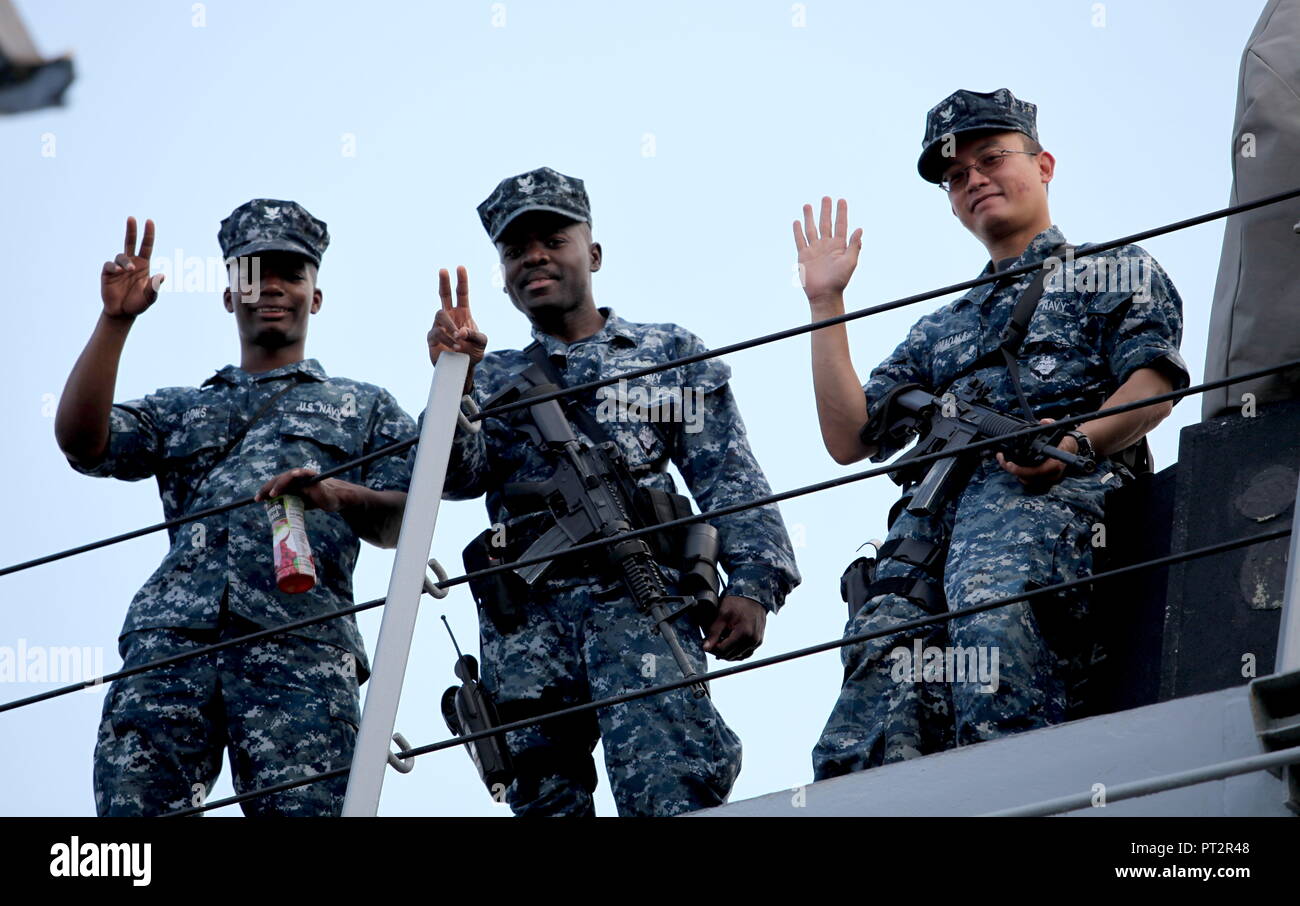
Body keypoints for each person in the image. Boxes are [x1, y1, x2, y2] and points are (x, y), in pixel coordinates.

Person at [795, 89, 1190, 779]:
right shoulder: (943, 325)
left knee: (996, 657)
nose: (973, 179)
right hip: (924, 544)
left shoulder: (1112, 270)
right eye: (956, 177)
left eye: (991, 158)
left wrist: (1073, 445)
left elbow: (1154, 383)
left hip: (1047, 520)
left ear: (1044, 165)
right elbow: (851, 436)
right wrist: (826, 304)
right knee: (877, 681)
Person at [427, 166, 800, 816]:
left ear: (592, 253)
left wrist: (753, 585)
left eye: (552, 240)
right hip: (527, 626)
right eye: (516, 250)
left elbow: (729, 473)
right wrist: (453, 382)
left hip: (640, 602)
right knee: (544, 801)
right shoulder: (490, 376)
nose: (534, 257)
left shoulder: (664, 350)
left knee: (669, 784)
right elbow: (455, 477)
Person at [55, 200, 417, 816]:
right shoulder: (180, 409)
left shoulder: (365, 407)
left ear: (315, 296)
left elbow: (407, 519)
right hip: (173, 644)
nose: (271, 287)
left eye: (290, 274)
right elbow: (81, 442)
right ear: (229, 297)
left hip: (299, 646)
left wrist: (334, 494)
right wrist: (114, 323)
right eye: (253, 275)